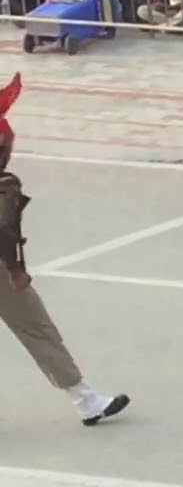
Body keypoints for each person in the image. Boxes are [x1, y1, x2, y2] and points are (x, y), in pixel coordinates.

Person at [0, 73, 131, 426]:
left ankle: (86, 399)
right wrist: (16, 270)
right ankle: (85, 399)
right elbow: (5, 231)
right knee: (36, 328)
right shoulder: (4, 184)